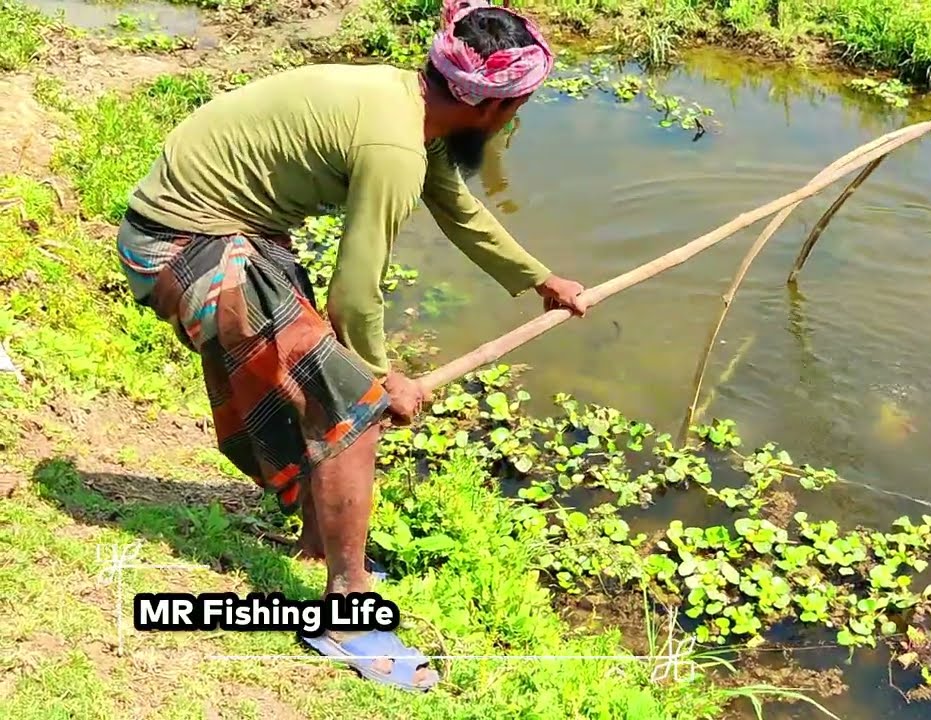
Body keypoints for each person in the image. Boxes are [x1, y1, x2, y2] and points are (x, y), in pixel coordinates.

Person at [115, 0, 584, 691]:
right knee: (350, 409)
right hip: (183, 245)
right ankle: (346, 613)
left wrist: (539, 279)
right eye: (520, 104)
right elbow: (356, 297)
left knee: (325, 385)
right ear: (491, 109)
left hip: (219, 231)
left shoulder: (409, 101)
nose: (516, 118)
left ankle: (322, 540)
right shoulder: (394, 145)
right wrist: (380, 378)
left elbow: (452, 202)